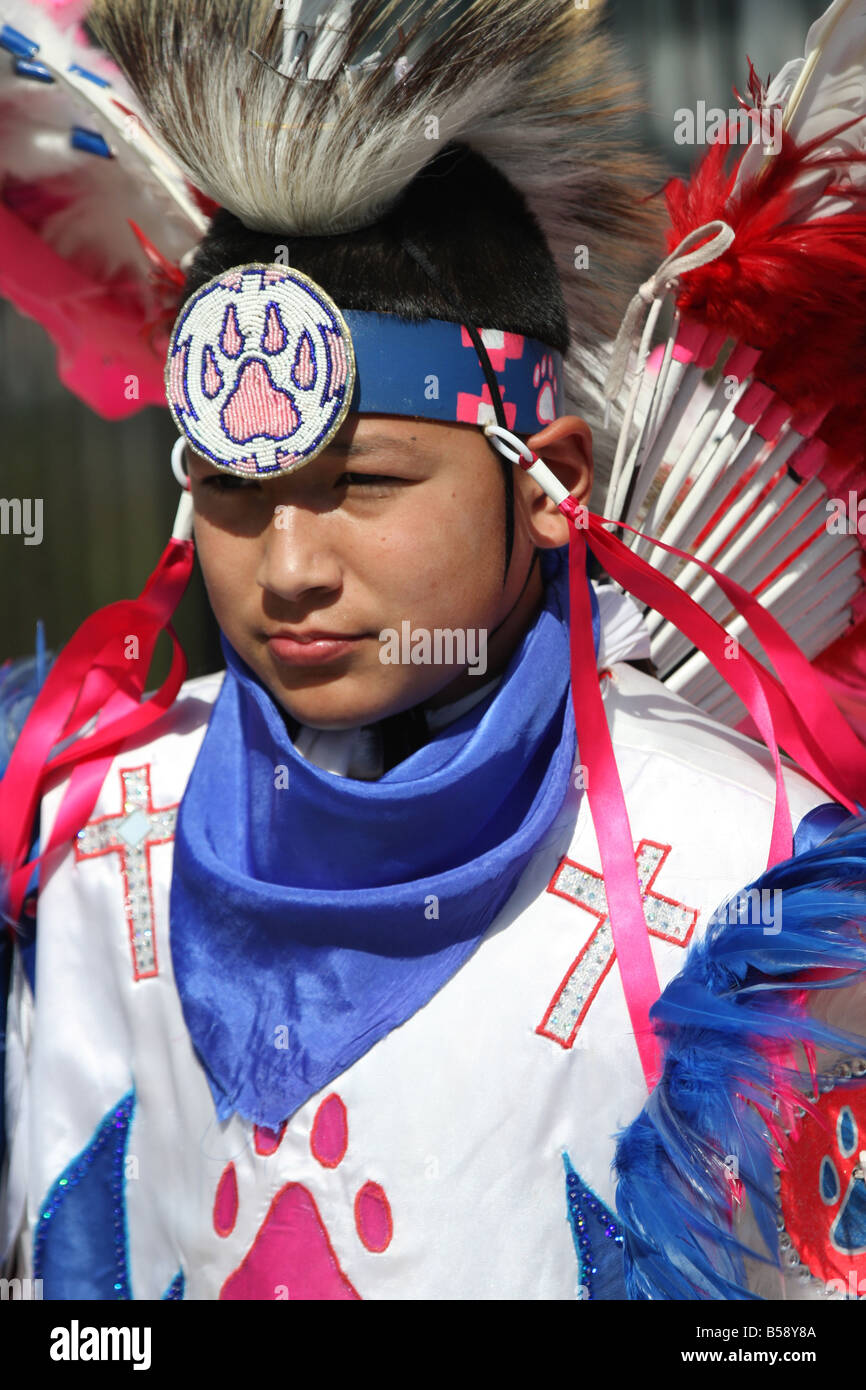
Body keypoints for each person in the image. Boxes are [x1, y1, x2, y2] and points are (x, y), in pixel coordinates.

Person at [0, 0, 861, 1302]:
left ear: (549, 479)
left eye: (362, 481)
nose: (289, 565)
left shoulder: (734, 870)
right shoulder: (99, 835)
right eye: (233, 487)